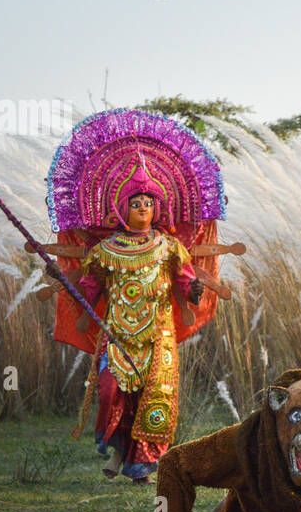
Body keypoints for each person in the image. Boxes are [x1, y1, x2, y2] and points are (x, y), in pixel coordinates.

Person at [75, 164, 204, 483]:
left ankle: (140, 469)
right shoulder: (106, 250)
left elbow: (185, 283)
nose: (143, 208)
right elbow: (90, 288)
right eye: (136, 203)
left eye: (148, 203)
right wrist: (70, 288)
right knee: (110, 391)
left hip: (157, 336)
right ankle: (119, 450)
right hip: (116, 334)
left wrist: (194, 291)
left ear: (156, 208)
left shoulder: (168, 247)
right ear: (122, 210)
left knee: (152, 398)